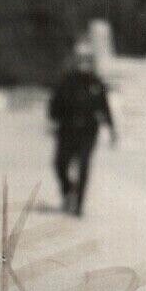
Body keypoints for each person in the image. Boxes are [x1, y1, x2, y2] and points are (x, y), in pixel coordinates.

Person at [48, 39, 116, 215]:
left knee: (84, 165)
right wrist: (53, 119)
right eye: (81, 59)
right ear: (76, 60)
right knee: (60, 164)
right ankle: (68, 190)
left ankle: (78, 205)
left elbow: (105, 106)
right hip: (67, 129)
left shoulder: (96, 83)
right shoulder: (66, 81)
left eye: (87, 59)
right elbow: (55, 102)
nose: (84, 63)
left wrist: (111, 128)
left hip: (88, 131)